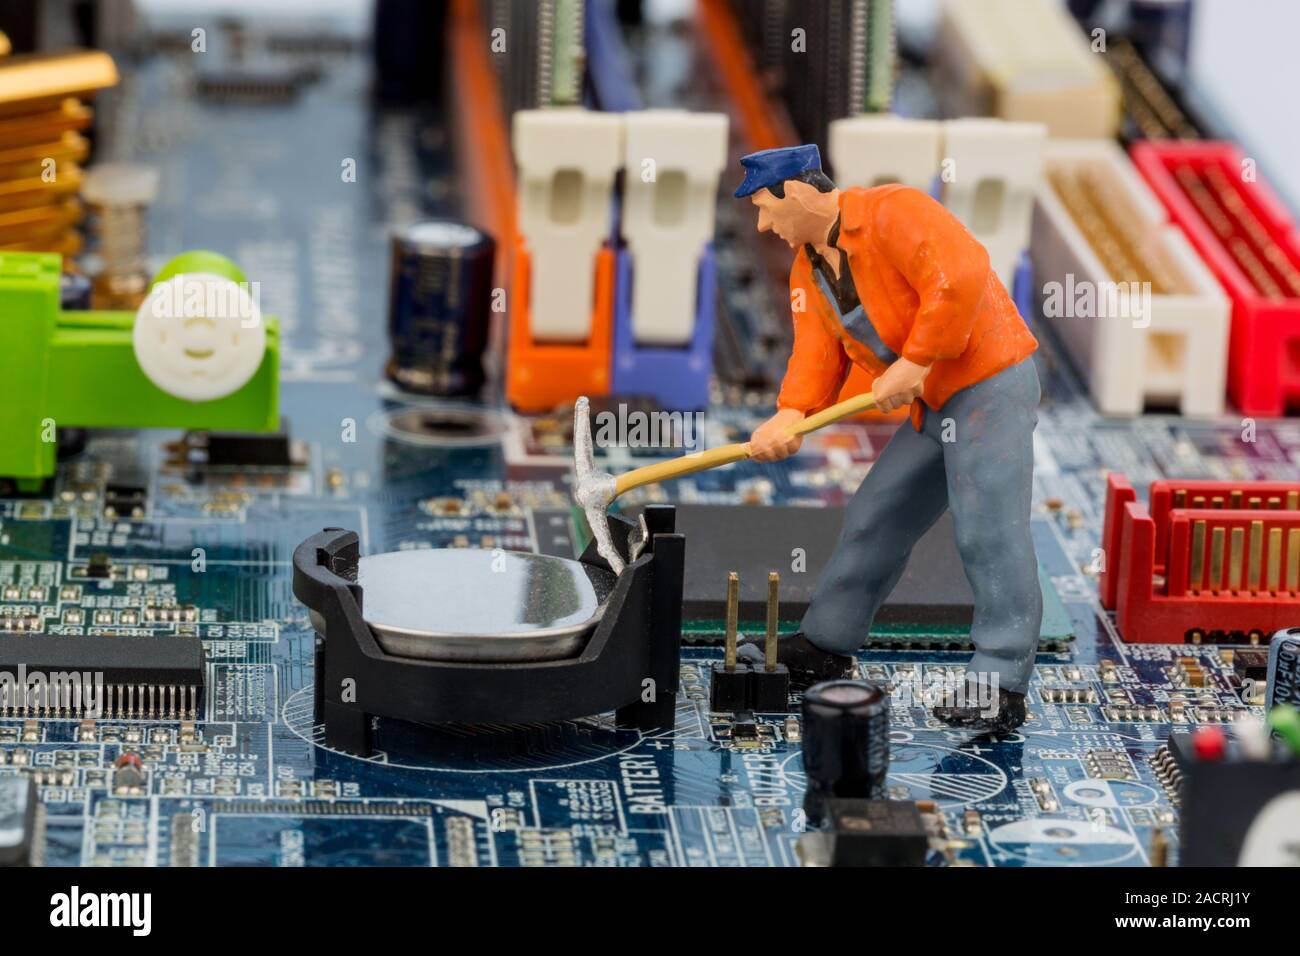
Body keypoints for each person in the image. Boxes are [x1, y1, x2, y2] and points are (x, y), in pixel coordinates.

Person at [732, 144, 1042, 734]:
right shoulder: (809, 270)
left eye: (766, 208)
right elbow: (816, 353)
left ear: (798, 193)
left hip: (989, 386)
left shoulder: (894, 211)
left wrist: (918, 359)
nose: (763, 226)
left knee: (986, 530)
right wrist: (790, 413)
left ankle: (1001, 680)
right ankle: (826, 644)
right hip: (935, 402)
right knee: (876, 515)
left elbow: (960, 273)